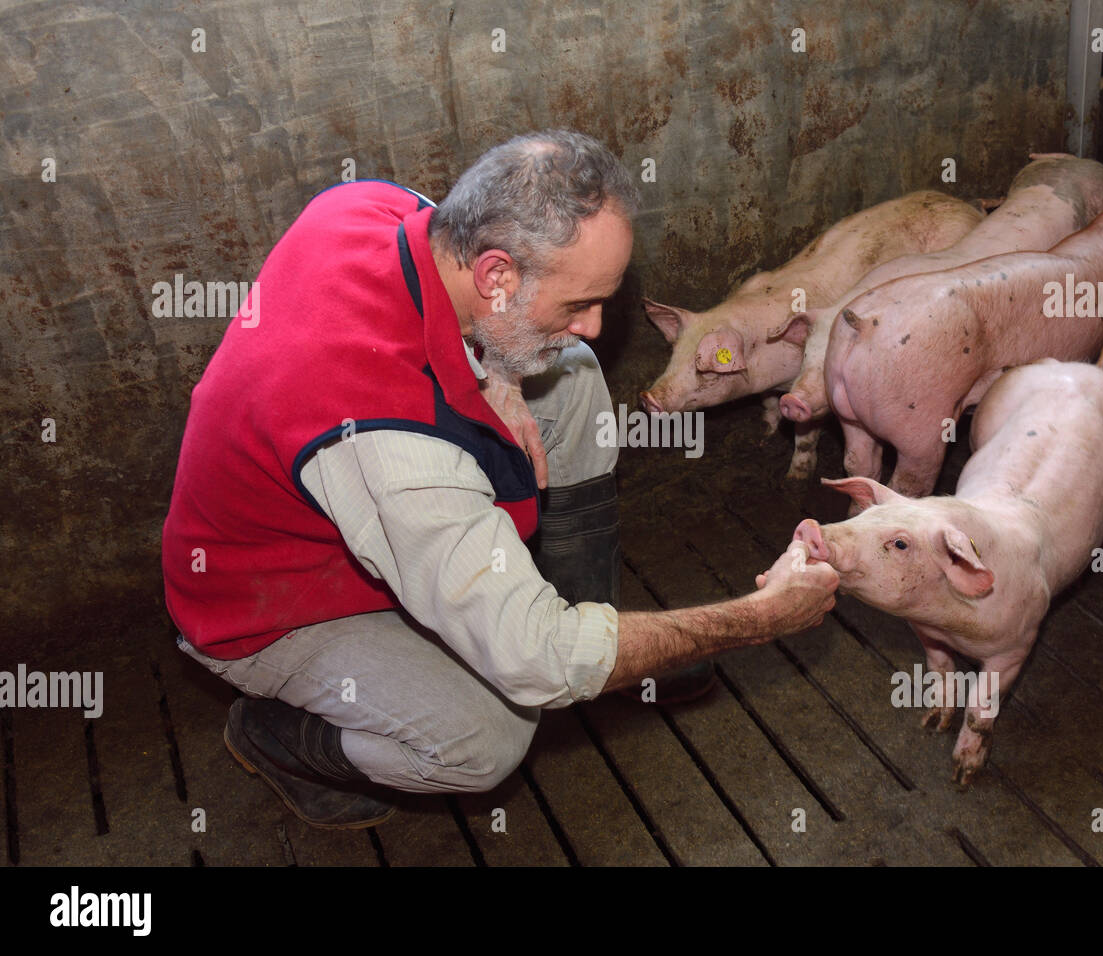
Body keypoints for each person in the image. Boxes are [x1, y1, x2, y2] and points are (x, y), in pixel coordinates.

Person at [161, 130, 839, 828]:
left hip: (332, 503)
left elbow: (466, 306)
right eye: (578, 304)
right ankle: (275, 737)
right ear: (496, 277)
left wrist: (501, 370)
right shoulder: (392, 447)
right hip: (272, 608)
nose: (593, 324)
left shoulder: (371, 208)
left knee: (568, 375)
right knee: (487, 738)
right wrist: (757, 620)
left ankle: (594, 643)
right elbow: (530, 661)